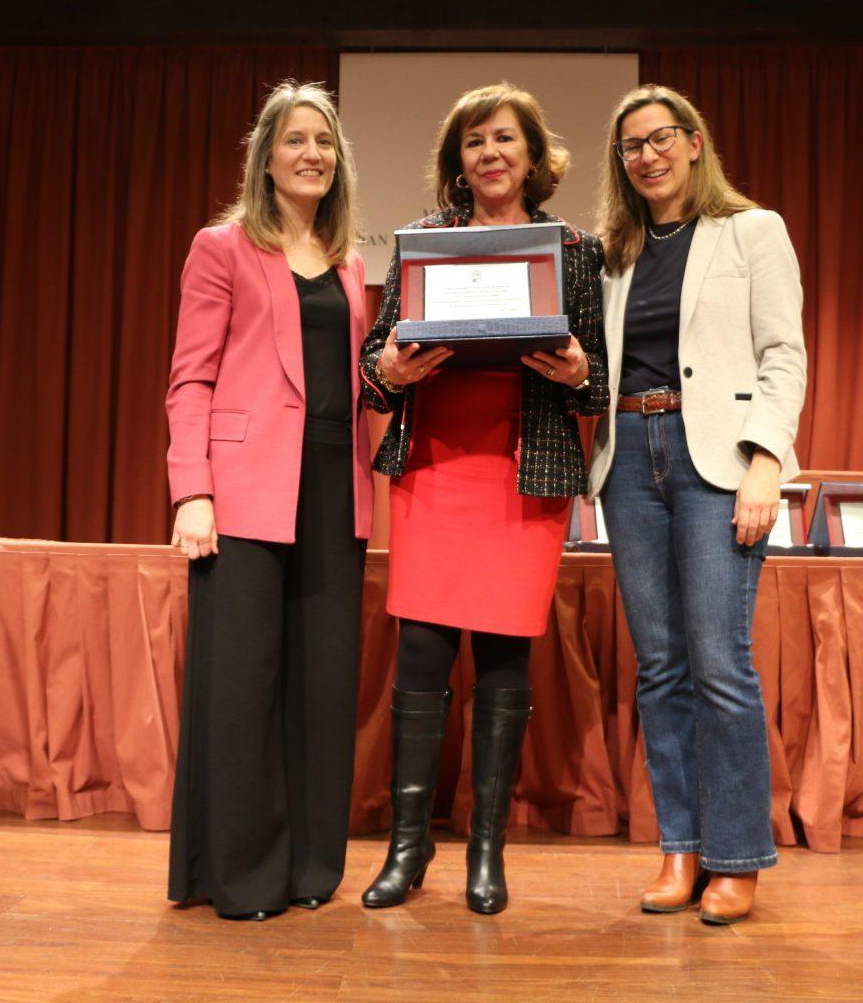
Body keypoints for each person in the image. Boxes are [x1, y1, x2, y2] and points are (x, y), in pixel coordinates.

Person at [358, 82, 608, 916]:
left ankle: (487, 850)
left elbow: (598, 378)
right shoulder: (424, 241)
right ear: (457, 162)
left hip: (523, 473)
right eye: (474, 142)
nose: (490, 153)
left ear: (533, 155)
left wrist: (580, 372)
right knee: (422, 653)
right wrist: (388, 368)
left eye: (504, 138)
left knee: (503, 657)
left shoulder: (573, 249)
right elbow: (374, 359)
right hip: (434, 468)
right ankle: (409, 848)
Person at [589, 84, 807, 925]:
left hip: (715, 459)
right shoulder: (613, 254)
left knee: (719, 663)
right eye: (631, 145)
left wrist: (765, 464)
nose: (646, 155)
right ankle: (679, 847)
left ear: (694, 143)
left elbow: (783, 355)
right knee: (661, 667)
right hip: (628, 461)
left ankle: (736, 856)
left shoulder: (753, 231)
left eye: (660, 138)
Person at [164, 82, 372, 921]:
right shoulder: (222, 247)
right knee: (244, 683)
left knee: (323, 684)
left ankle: (312, 867)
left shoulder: (350, 261)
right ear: (266, 157)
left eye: (324, 141)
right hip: (245, 487)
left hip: (334, 487)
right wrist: (193, 490)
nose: (311, 153)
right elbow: (190, 379)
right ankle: (243, 875)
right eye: (295, 139)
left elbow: (350, 380)